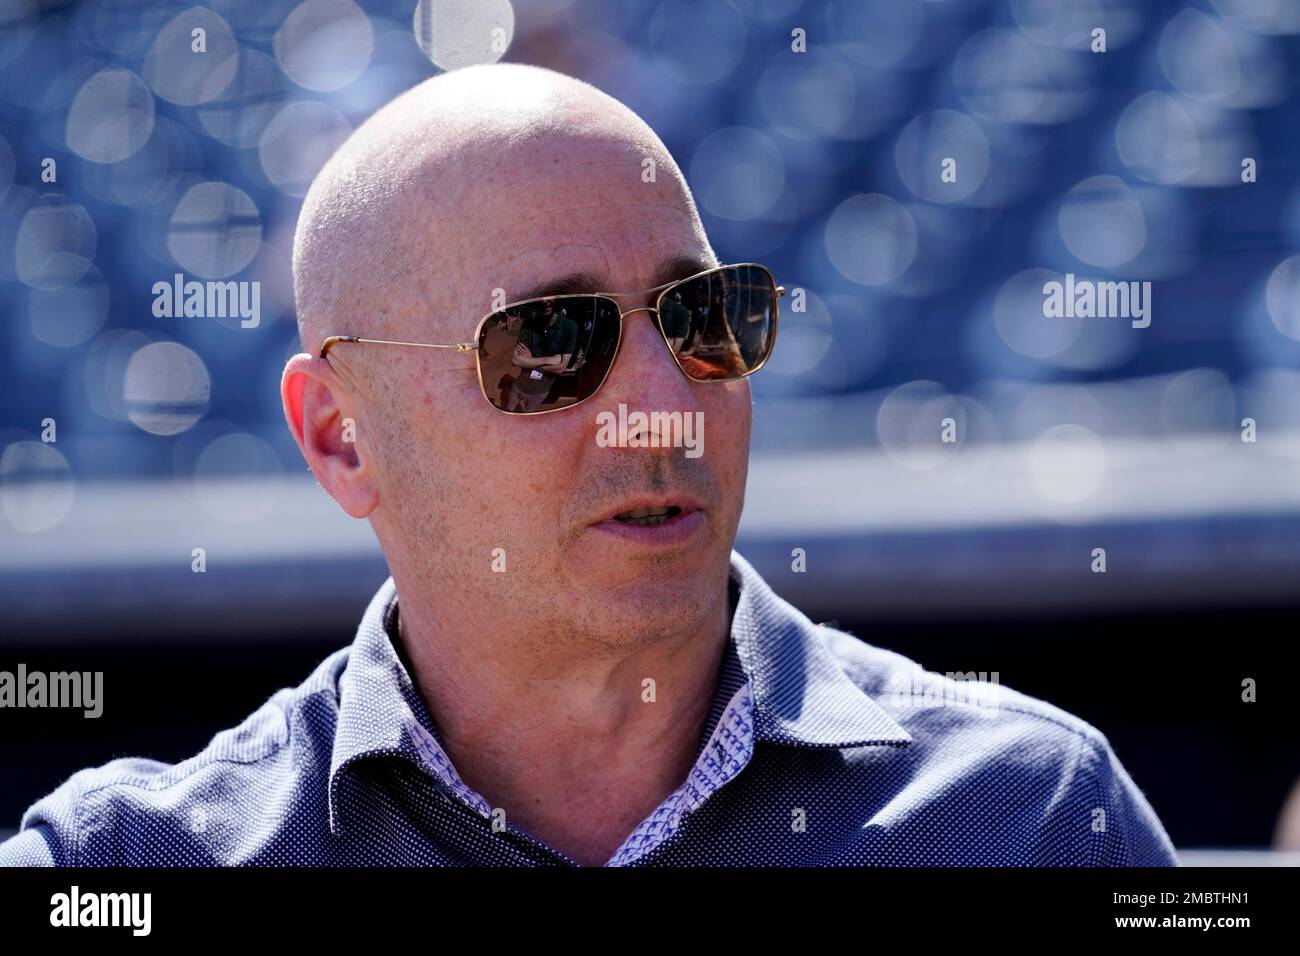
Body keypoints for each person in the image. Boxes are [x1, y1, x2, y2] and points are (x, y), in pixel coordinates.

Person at [0, 63, 1176, 867]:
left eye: (703, 314)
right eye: (552, 343)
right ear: (339, 437)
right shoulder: (126, 866)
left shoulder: (1028, 816)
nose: (663, 407)